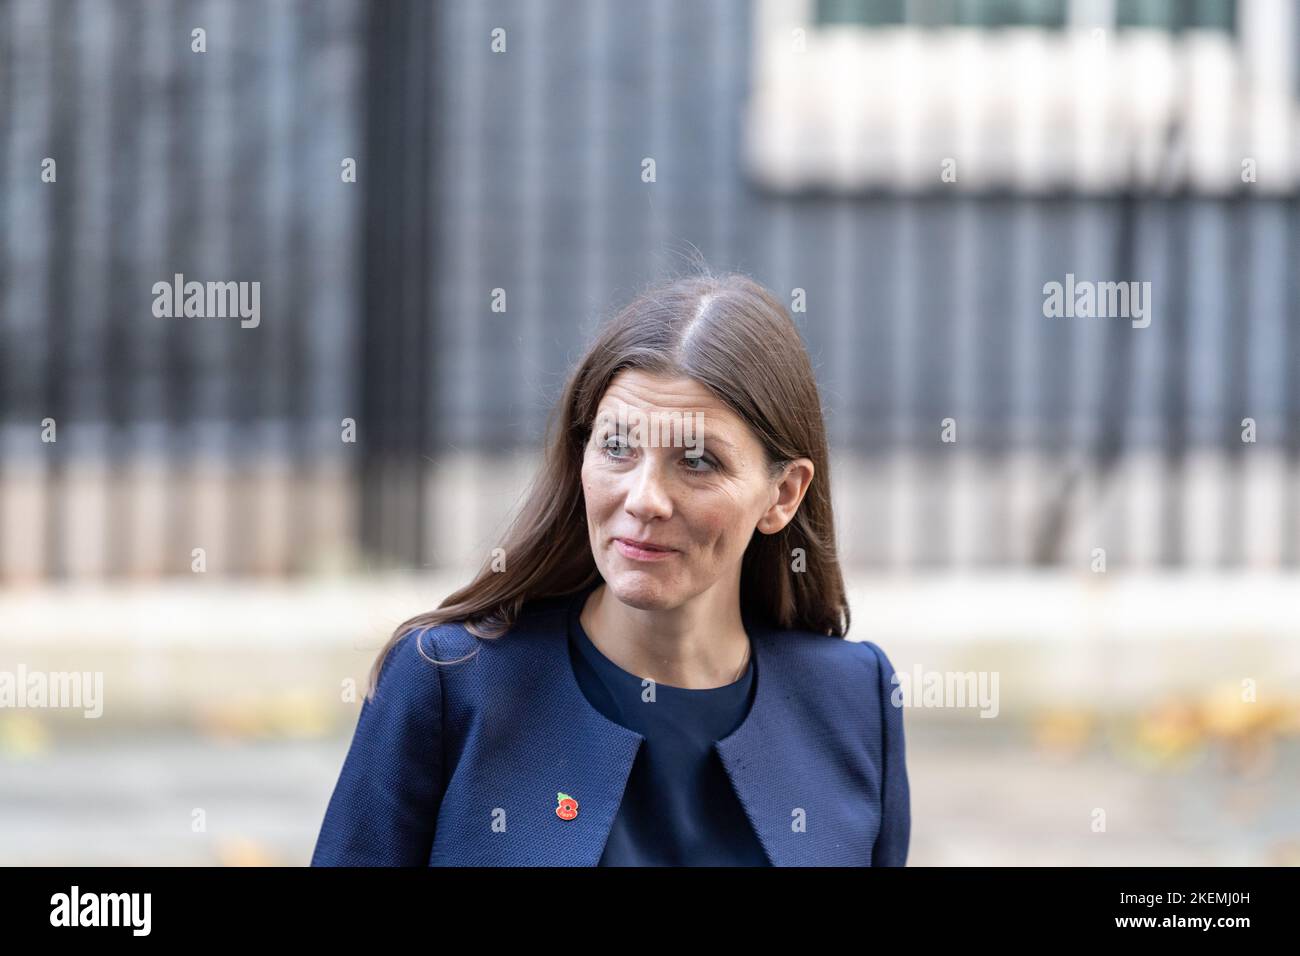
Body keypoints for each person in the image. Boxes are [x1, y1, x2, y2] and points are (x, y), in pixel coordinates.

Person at [311, 268, 910, 866]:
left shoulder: (854, 699)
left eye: (697, 460)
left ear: (783, 495)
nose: (644, 498)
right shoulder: (450, 683)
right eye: (618, 447)